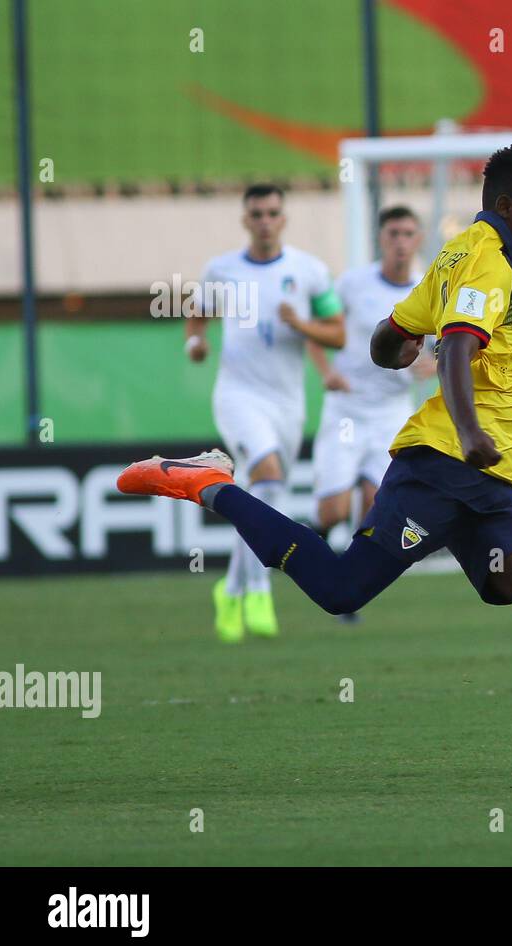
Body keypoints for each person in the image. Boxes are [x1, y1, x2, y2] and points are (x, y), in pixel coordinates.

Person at [123, 146, 512, 791]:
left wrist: (401, 345)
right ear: (506, 206)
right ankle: (211, 485)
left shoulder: (461, 252)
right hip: (445, 465)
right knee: (342, 589)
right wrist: (468, 433)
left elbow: (389, 338)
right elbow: (458, 349)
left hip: (489, 485)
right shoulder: (486, 265)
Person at [187, 184, 344, 642]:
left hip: (287, 403)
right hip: (238, 396)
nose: (264, 221)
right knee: (269, 478)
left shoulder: (309, 271)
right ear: (245, 220)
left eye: (272, 212)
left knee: (263, 493)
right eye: (256, 213)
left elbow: (337, 334)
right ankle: (259, 588)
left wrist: (301, 324)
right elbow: (197, 317)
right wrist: (194, 343)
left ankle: (229, 587)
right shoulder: (221, 269)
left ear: (283, 218)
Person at [308, 206, 436, 624]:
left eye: (408, 234)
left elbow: (450, 347)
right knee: (332, 512)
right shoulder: (351, 284)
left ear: (419, 240)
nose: (400, 241)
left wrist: (433, 365)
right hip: (346, 410)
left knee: (373, 508)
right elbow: (317, 331)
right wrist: (327, 373)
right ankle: (306, 546)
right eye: (393, 233)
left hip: (391, 414)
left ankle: (344, 593)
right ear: (381, 239)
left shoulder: (430, 289)